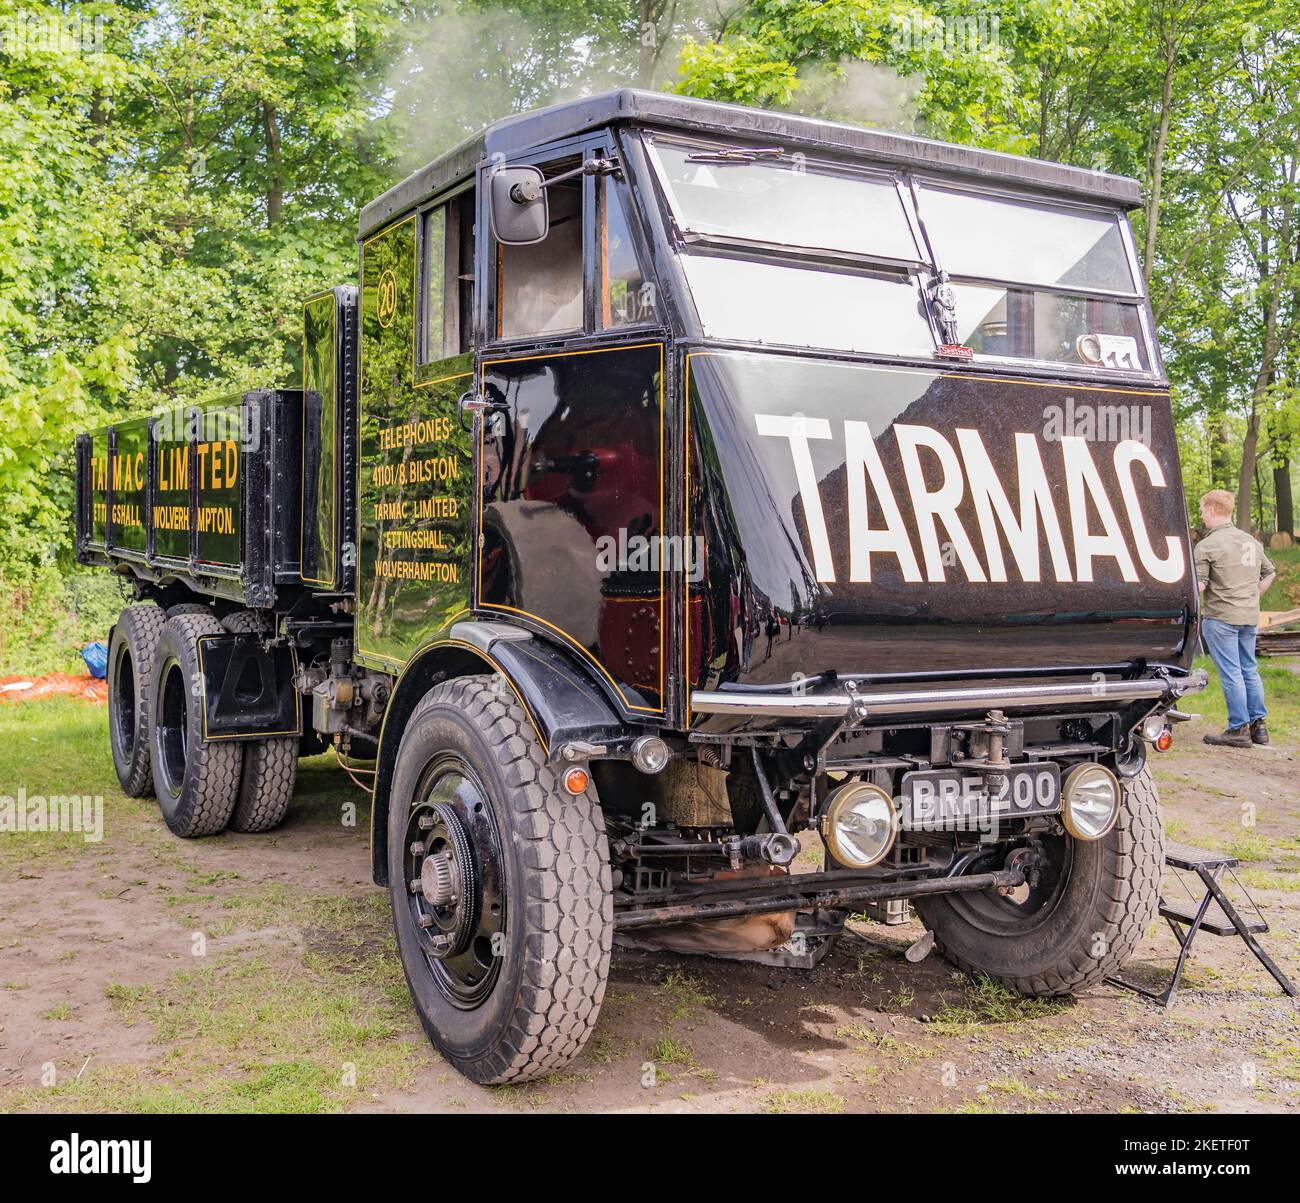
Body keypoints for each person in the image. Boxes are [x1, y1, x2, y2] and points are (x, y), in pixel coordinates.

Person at [1194, 489, 1276, 747]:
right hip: (1248, 616)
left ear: (1211, 510)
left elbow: (1199, 586)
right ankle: (1259, 727)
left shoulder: (1207, 545)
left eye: (1202, 512)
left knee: (1232, 673)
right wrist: (1254, 596)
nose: (1202, 517)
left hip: (1221, 618)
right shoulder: (1251, 541)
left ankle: (1238, 728)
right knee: (1249, 669)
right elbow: (1270, 572)